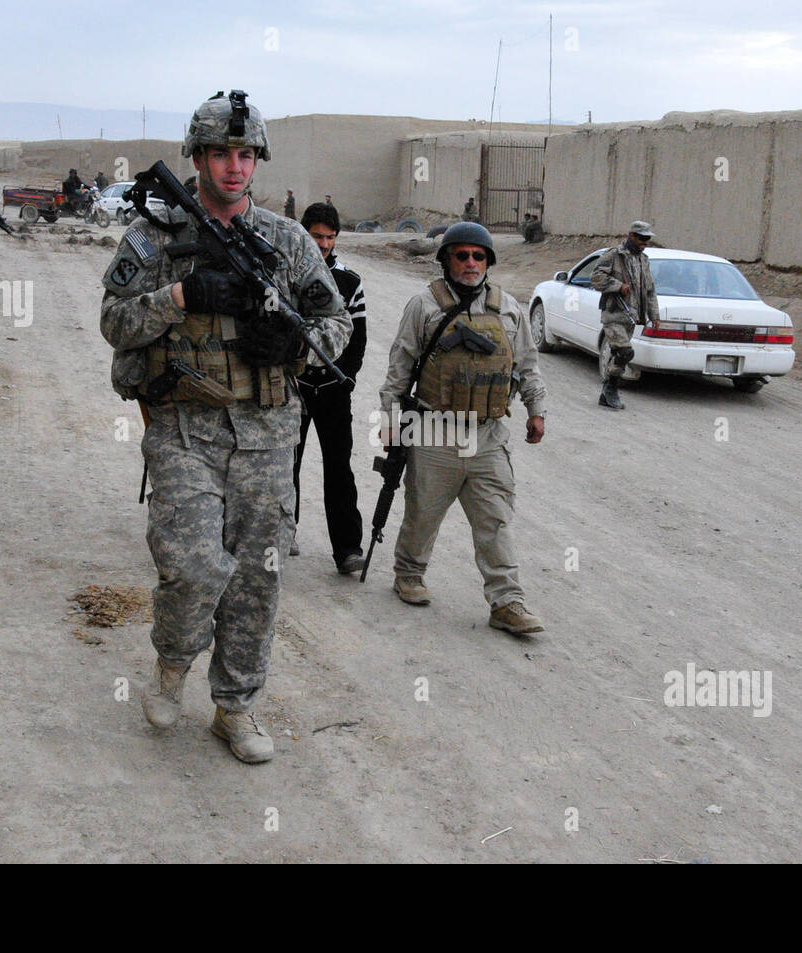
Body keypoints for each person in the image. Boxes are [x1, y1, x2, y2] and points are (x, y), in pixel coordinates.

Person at [99, 90, 350, 764]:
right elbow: (115, 323)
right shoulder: (156, 236)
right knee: (192, 563)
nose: (233, 166)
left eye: (245, 154)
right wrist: (179, 296)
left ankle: (234, 708)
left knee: (257, 577)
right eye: (220, 153)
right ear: (198, 156)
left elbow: (337, 324)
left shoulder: (288, 240)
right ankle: (172, 665)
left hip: (268, 433)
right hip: (185, 428)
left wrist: (291, 345)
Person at [379, 222, 547, 636]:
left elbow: (527, 365)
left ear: (488, 261)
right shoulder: (424, 305)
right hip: (435, 431)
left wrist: (536, 410)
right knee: (423, 513)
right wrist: (389, 424)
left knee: (495, 519)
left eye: (479, 256)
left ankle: (507, 602)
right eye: (462, 255)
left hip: (489, 436)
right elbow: (399, 369)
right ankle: (409, 574)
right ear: (447, 260)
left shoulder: (508, 308)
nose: (471, 263)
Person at [292, 202, 367, 573]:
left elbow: (358, 338)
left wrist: (346, 379)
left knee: (339, 469)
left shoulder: (350, 282)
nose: (322, 243)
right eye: (316, 235)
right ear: (303, 233)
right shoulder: (285, 275)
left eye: (329, 236)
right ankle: (280, 532)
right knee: (284, 463)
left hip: (334, 392)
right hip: (293, 389)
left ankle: (348, 550)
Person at [590, 220, 659, 410]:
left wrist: (655, 315)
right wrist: (618, 286)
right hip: (613, 314)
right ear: (631, 236)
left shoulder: (643, 260)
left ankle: (607, 392)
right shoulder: (614, 255)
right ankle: (610, 389)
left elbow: (650, 290)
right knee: (625, 352)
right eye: (641, 238)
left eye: (647, 239)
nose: (644, 242)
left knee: (619, 354)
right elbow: (596, 277)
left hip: (631, 316)